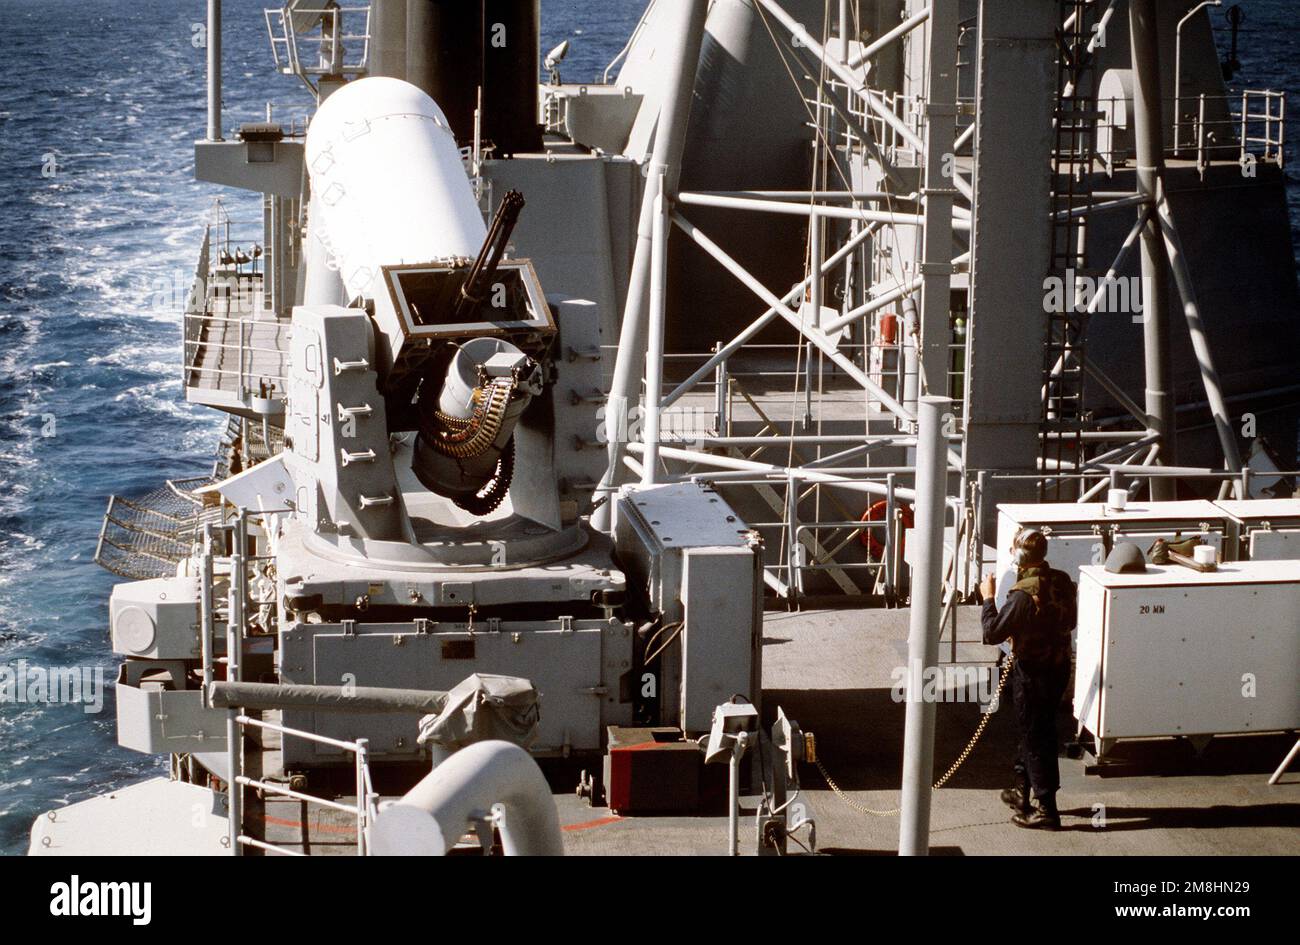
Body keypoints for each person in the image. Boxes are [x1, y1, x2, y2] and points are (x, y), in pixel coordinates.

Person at [978, 529, 1076, 830]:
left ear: (1019, 556)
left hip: (1033, 674)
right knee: (1034, 729)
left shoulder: (1023, 595)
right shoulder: (1061, 581)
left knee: (1037, 738)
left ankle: (1046, 808)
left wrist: (988, 598)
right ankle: (1022, 792)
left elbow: (992, 632)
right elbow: (1070, 621)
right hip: (1058, 669)